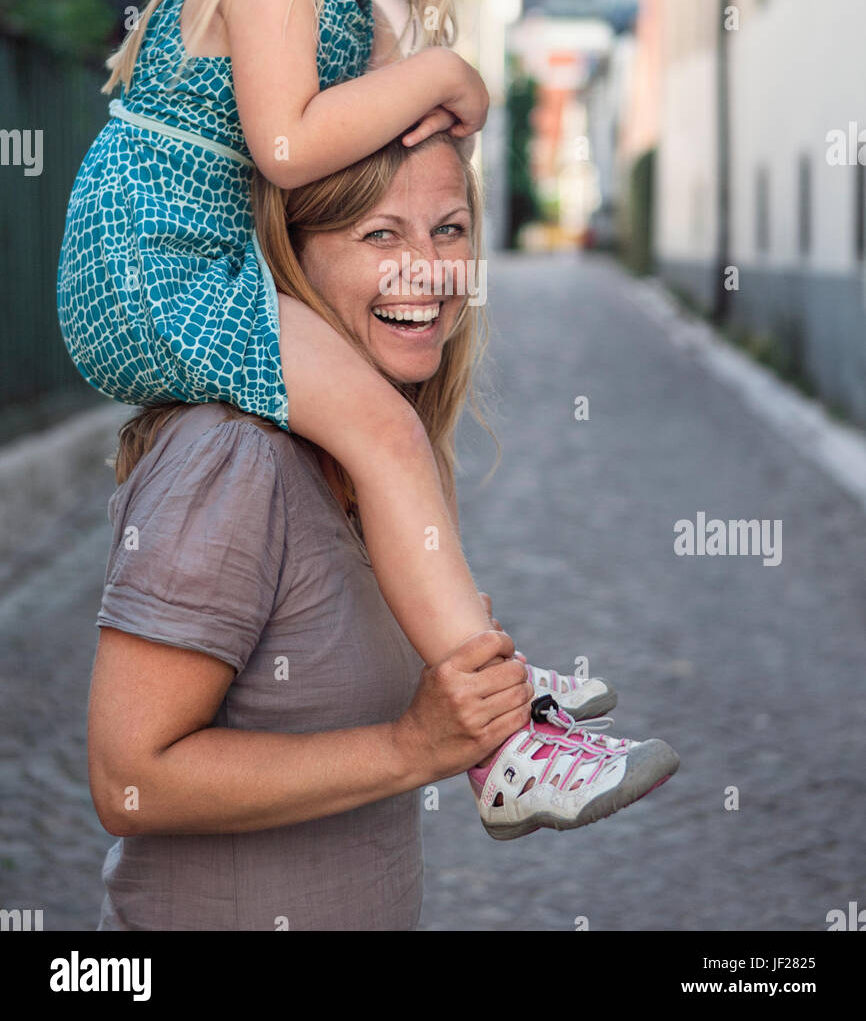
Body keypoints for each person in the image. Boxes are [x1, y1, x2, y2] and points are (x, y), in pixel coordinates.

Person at [59, 0, 678, 841]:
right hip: (152, 260)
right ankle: (503, 745)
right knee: (385, 436)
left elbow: (389, 145)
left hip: (201, 254)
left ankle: (485, 677)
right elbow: (292, 148)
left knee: (389, 438)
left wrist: (425, 75)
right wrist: (442, 71)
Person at [88, 131, 679, 930]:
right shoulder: (236, 456)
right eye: (379, 234)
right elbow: (130, 778)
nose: (429, 270)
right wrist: (412, 746)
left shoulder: (383, 461)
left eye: (450, 228)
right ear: (290, 254)